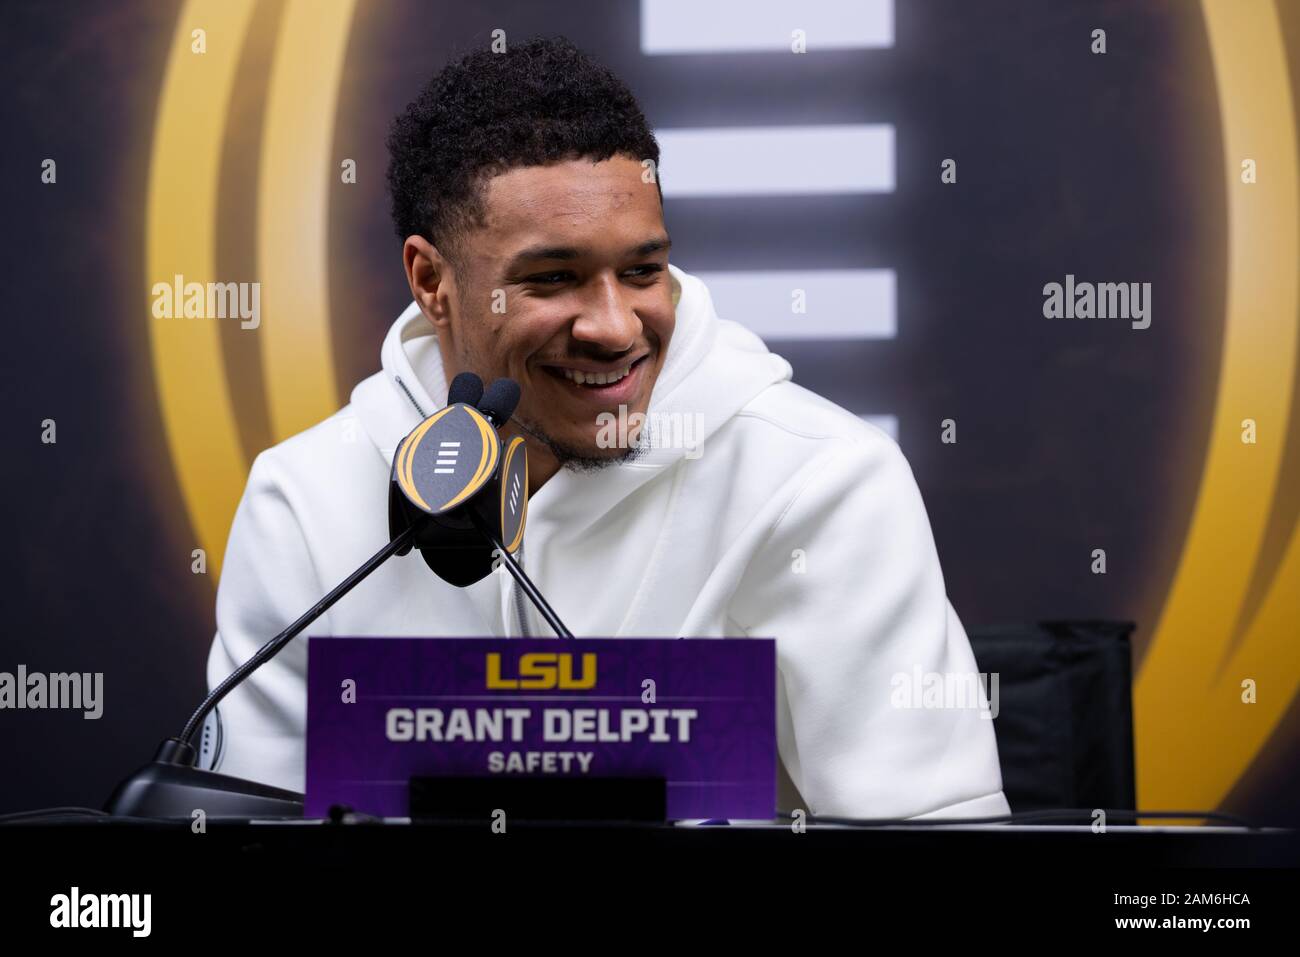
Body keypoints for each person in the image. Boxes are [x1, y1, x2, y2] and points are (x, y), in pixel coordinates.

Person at [207, 36, 1009, 820]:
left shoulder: (825, 478)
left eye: (641, 271)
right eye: (552, 279)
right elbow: (246, 823)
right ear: (431, 281)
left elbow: (934, 836)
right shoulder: (303, 501)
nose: (616, 327)